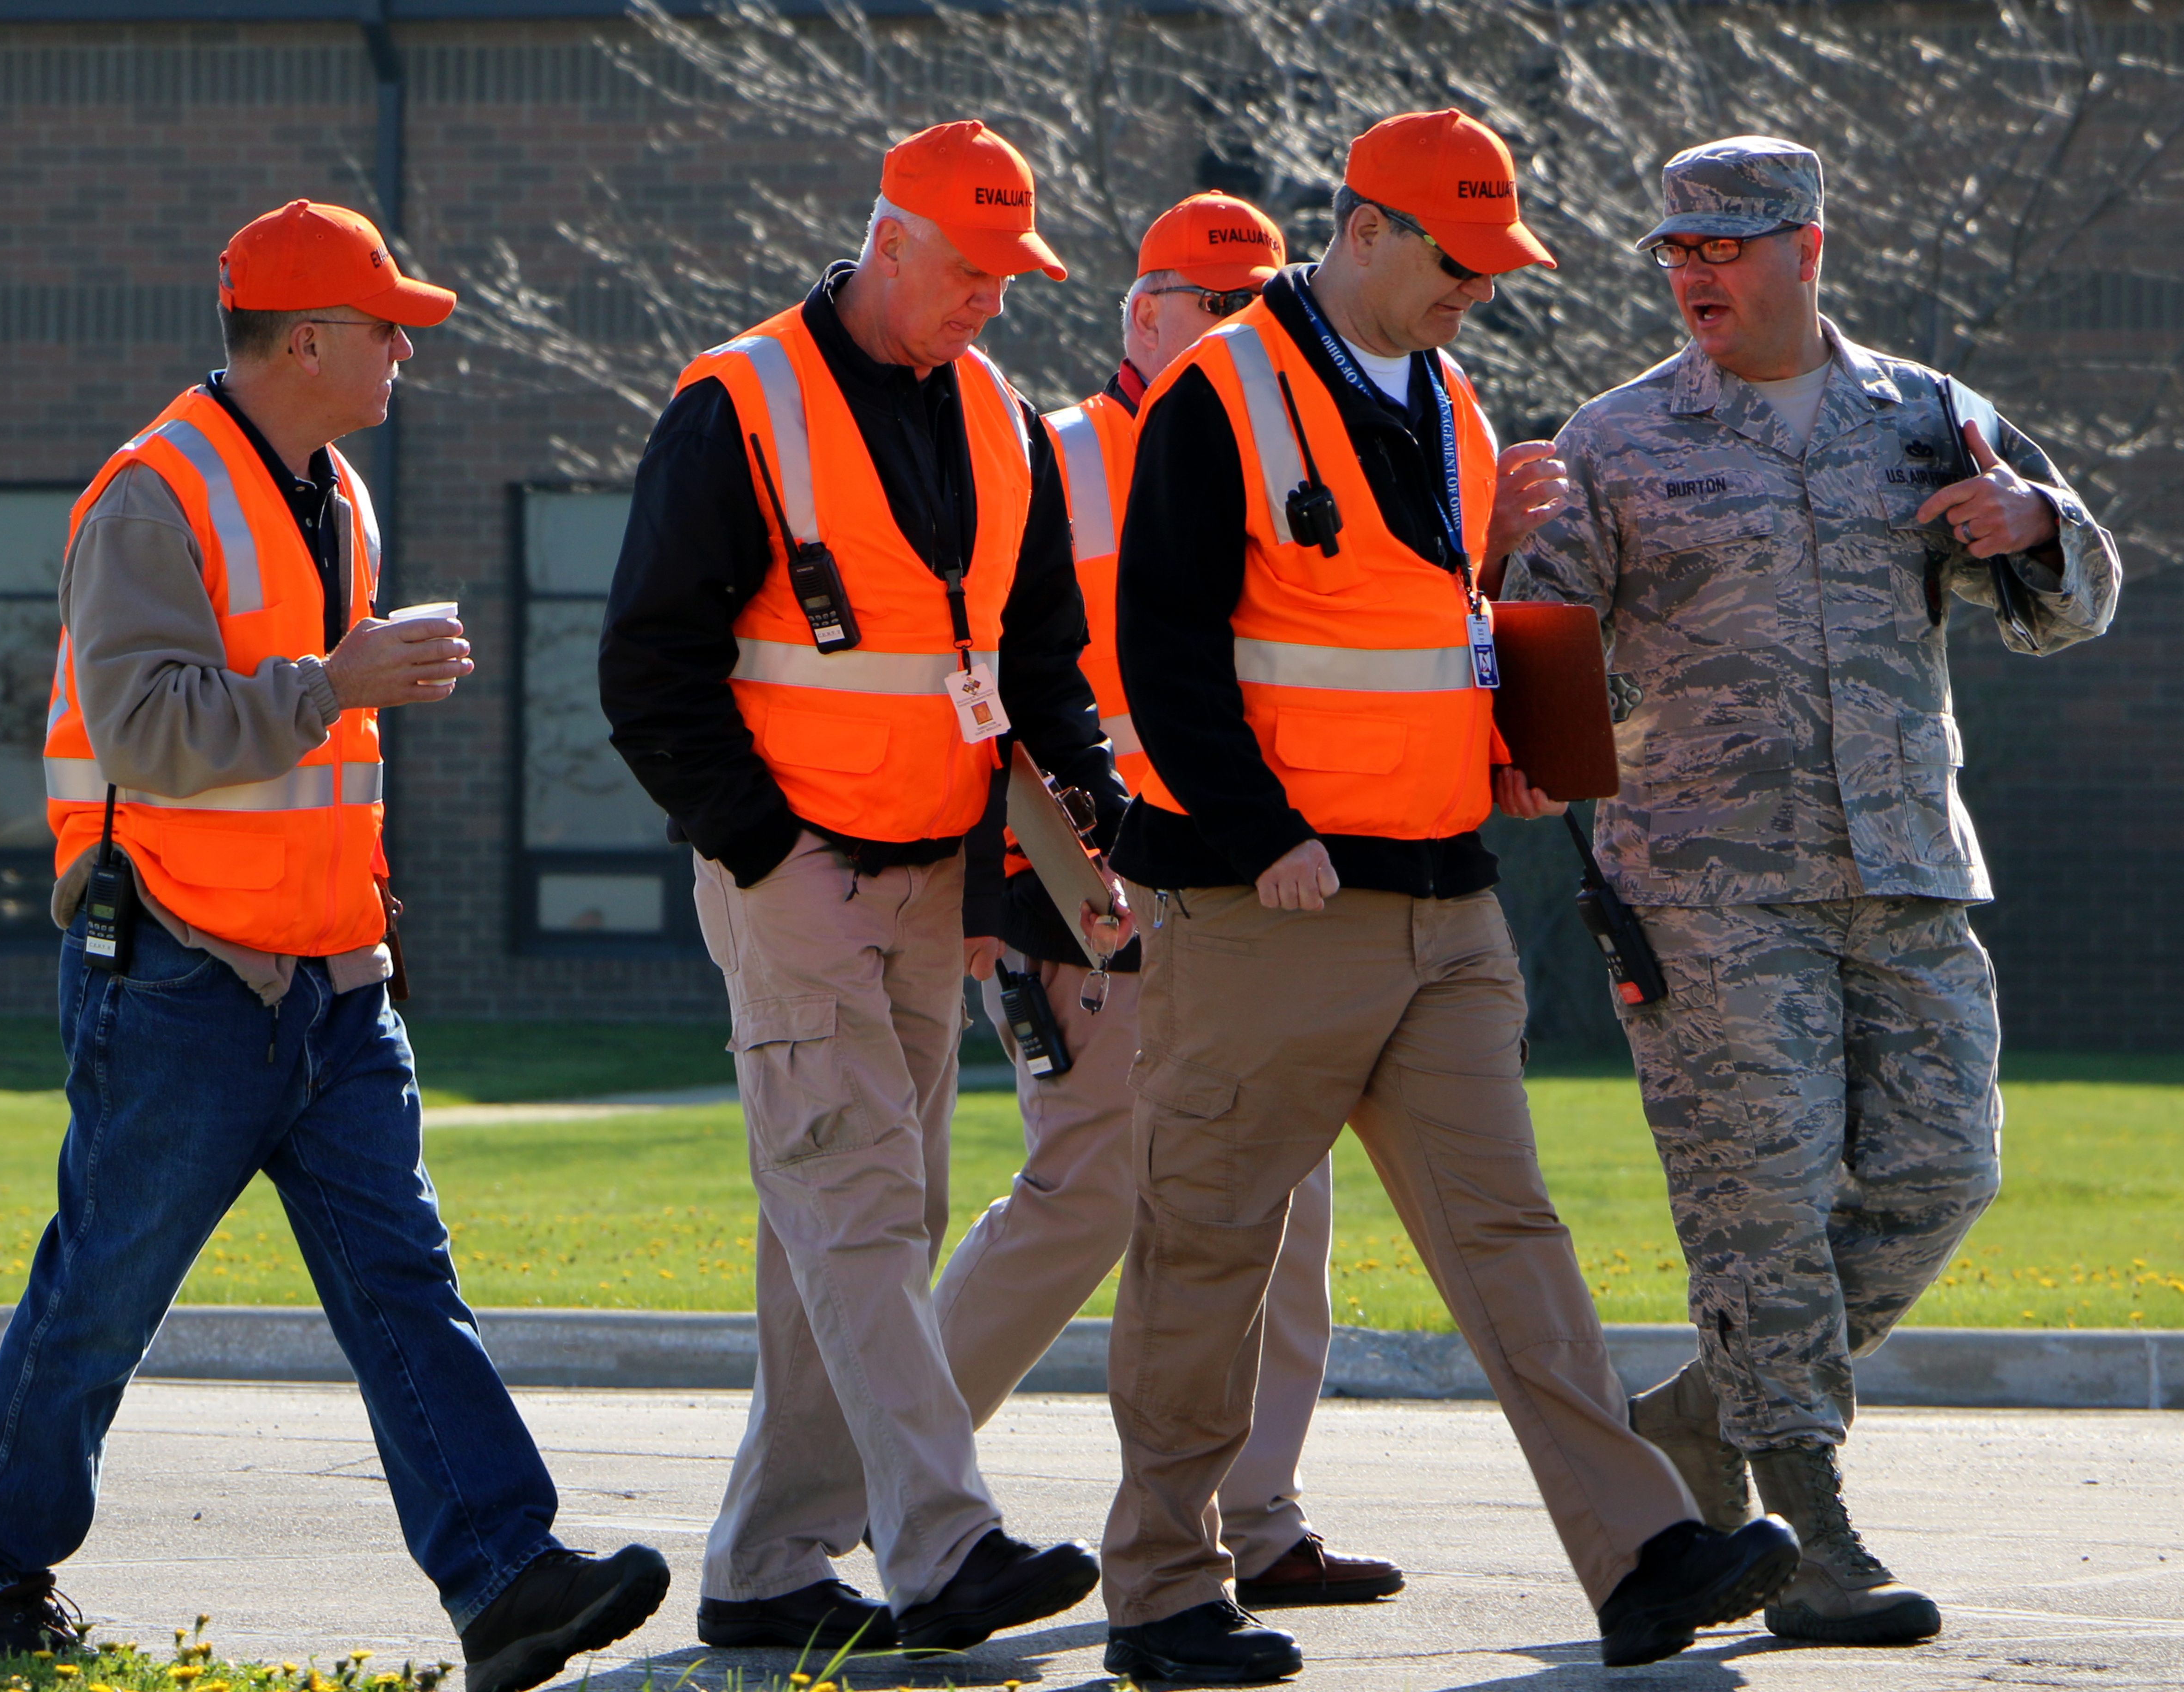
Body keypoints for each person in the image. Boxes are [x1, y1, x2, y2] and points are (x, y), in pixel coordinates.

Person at [0, 200, 669, 1692]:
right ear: (307, 339)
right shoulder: (152, 498)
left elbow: (298, 733)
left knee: (407, 1286)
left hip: (331, 985)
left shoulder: (341, 492)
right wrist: (335, 681)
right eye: (390, 328)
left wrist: (352, 778)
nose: (406, 352)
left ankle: (506, 1576)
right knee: (101, 1300)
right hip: (182, 982)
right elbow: (146, 730)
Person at [1098, 109, 1803, 1685]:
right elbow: (1161, 648)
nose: (1476, 291)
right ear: (1363, 231)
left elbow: (1440, 634)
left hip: (1444, 894)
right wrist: (1259, 826)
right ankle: (1160, 1590)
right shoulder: (1222, 393)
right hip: (1268, 900)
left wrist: (1510, 747)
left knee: (1513, 1236)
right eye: (1456, 259)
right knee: (1209, 1243)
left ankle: (1643, 1556)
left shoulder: (1458, 405)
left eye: (1494, 264)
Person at [1497, 136, 2120, 1647]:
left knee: (1940, 1174)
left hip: (1906, 862)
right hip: (1707, 883)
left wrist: (2041, 529)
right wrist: (1502, 568)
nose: (1697, 274)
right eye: (1679, 253)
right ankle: (1810, 1524)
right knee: (1760, 1206)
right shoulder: (1619, 439)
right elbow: (1528, 633)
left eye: (1729, 247)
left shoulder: (1928, 417)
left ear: (1808, 250)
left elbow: (2071, 606)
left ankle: (1705, 1419)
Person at [599, 122, 1120, 1656]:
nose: (990, 301)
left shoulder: (1004, 420)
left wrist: (1091, 831)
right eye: (969, 269)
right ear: (889, 241)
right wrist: (765, 853)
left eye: (1011, 276)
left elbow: (1033, 671)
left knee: (848, 1228)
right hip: (800, 879)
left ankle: (766, 1565)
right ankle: (944, 1550)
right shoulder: (737, 406)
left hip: (931, 877)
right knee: (864, 1213)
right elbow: (648, 670)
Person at [938, 192, 1403, 1614]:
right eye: (1223, 305)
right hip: (1090, 901)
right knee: (1081, 1198)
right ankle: (868, 1477)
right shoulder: (1052, 459)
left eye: (1267, 304)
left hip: (1254, 899)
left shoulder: (1291, 451)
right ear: (1146, 316)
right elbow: (975, 693)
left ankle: (1256, 1523)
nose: (1255, 328)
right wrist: (1016, 892)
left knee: (1286, 1215)